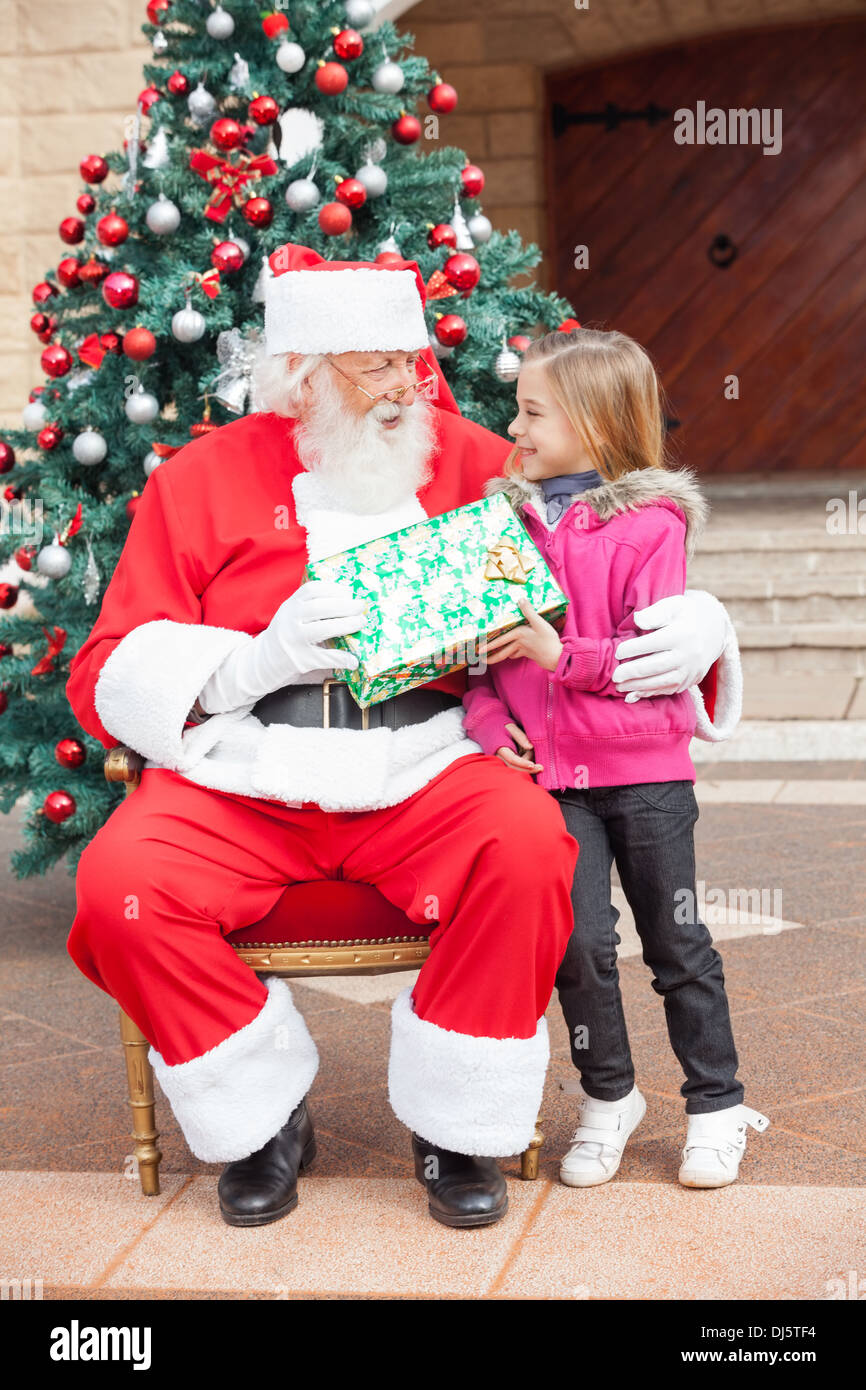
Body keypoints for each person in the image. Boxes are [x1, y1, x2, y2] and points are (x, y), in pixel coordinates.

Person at [65, 244, 737, 1230]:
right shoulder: (199, 479)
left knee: (526, 848)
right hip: (244, 772)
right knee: (119, 890)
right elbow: (103, 670)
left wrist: (702, 620)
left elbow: (617, 516)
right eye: (376, 362)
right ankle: (261, 1116)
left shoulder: (469, 456)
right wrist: (254, 661)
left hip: (430, 762)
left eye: (410, 356)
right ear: (301, 371)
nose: (409, 381)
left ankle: (455, 1120)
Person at [462, 327, 769, 1192]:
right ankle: (609, 1098)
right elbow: (478, 666)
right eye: (514, 409)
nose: (512, 428)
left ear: (596, 425)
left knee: (676, 941)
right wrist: (491, 726)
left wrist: (561, 657)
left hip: (645, 775)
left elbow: (649, 666)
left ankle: (715, 1104)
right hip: (552, 785)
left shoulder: (652, 525)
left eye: (531, 412)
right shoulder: (500, 522)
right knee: (579, 945)